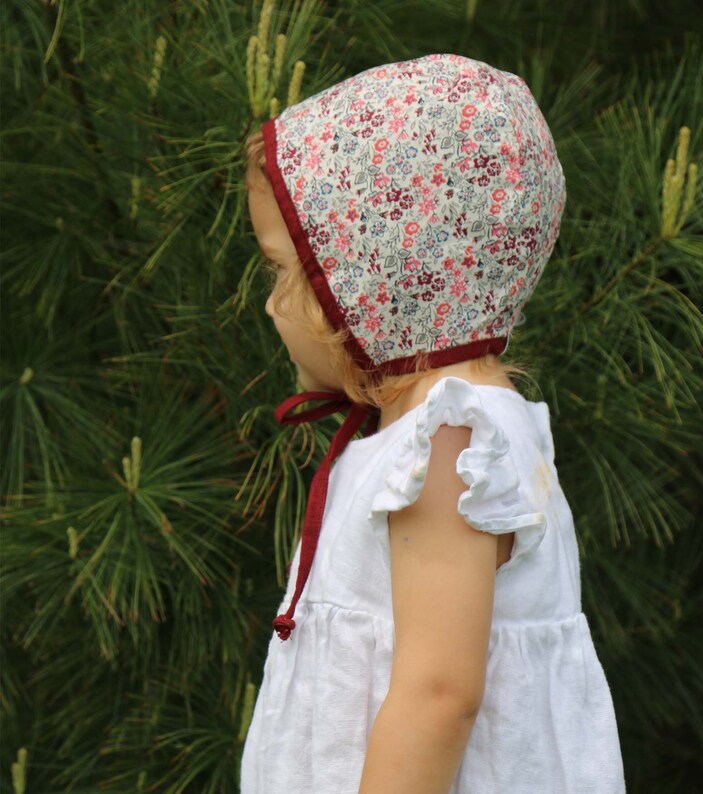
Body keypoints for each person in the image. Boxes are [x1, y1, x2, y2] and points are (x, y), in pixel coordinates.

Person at [240, 53, 625, 793]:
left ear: (368, 277)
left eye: (281, 272)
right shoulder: (437, 437)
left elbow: (439, 695)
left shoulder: (449, 445)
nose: (269, 306)